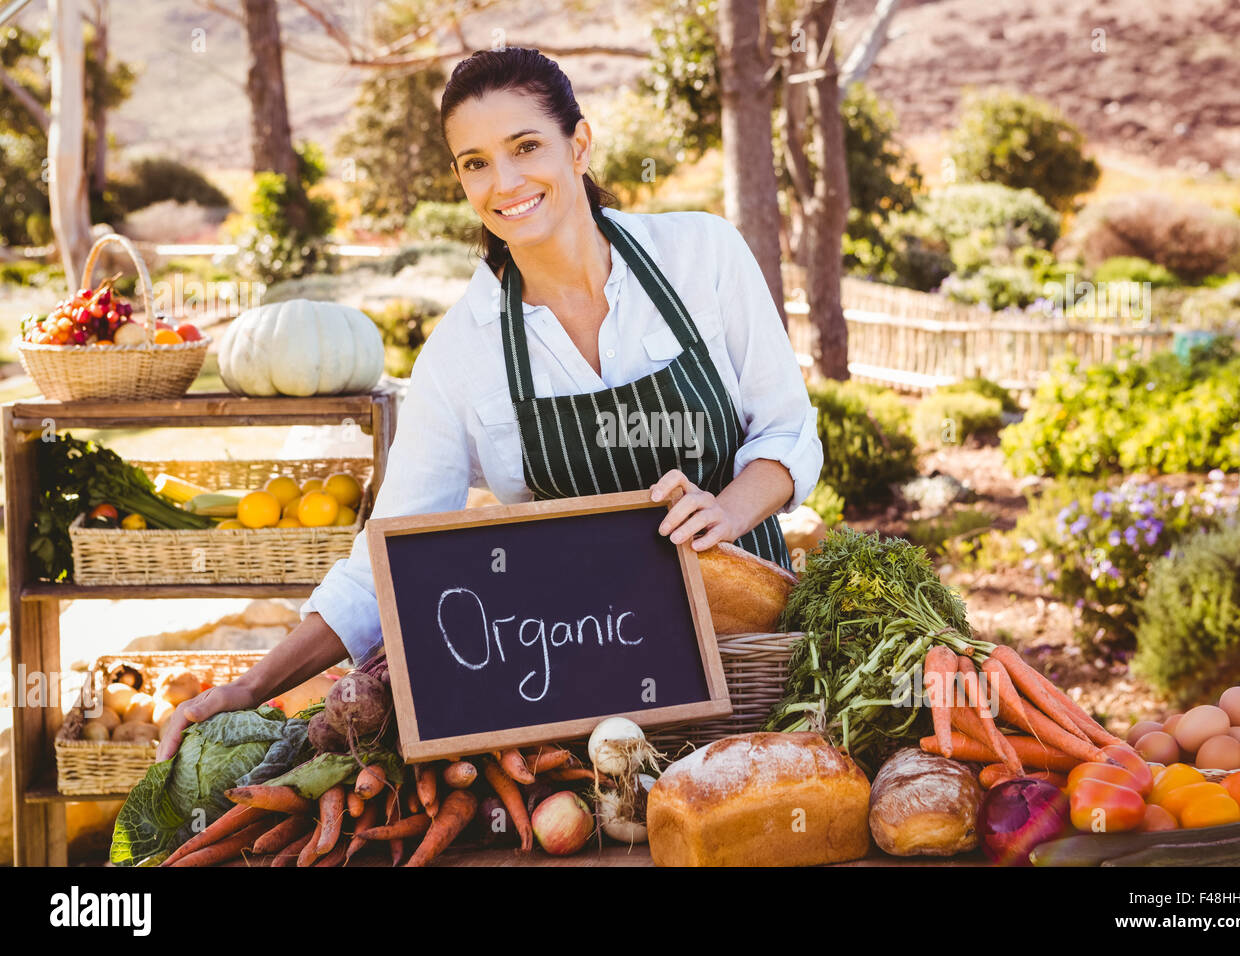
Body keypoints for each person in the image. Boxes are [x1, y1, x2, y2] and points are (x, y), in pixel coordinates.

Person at [157, 47, 821, 761]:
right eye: (475, 162)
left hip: (758, 662)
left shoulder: (702, 256)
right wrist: (248, 688)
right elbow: (388, 559)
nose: (504, 182)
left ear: (580, 144)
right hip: (596, 702)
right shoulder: (463, 352)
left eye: (526, 146)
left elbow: (787, 432)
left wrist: (726, 510)